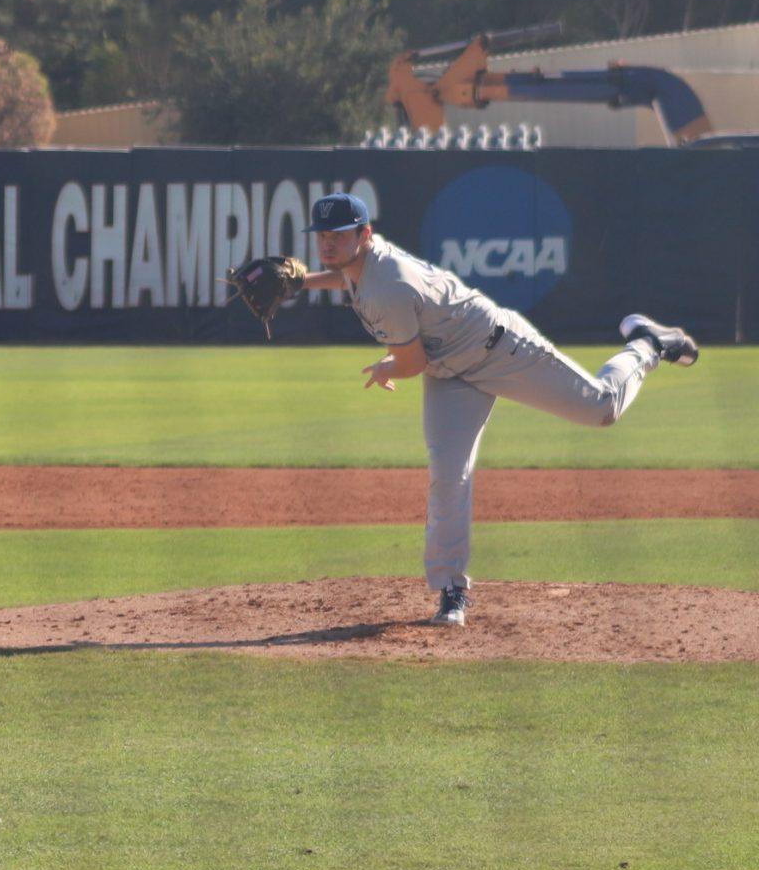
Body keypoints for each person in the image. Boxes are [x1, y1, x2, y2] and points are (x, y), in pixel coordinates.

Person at [299, 191, 699, 626]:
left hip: (501, 350)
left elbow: (411, 363)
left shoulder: (389, 284)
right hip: (450, 372)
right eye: (322, 235)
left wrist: (386, 366)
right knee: (448, 475)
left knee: (601, 407)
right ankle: (451, 590)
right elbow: (348, 278)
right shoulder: (365, 266)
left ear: (365, 234)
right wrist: (299, 282)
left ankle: (647, 343)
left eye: (338, 235)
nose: (328, 244)